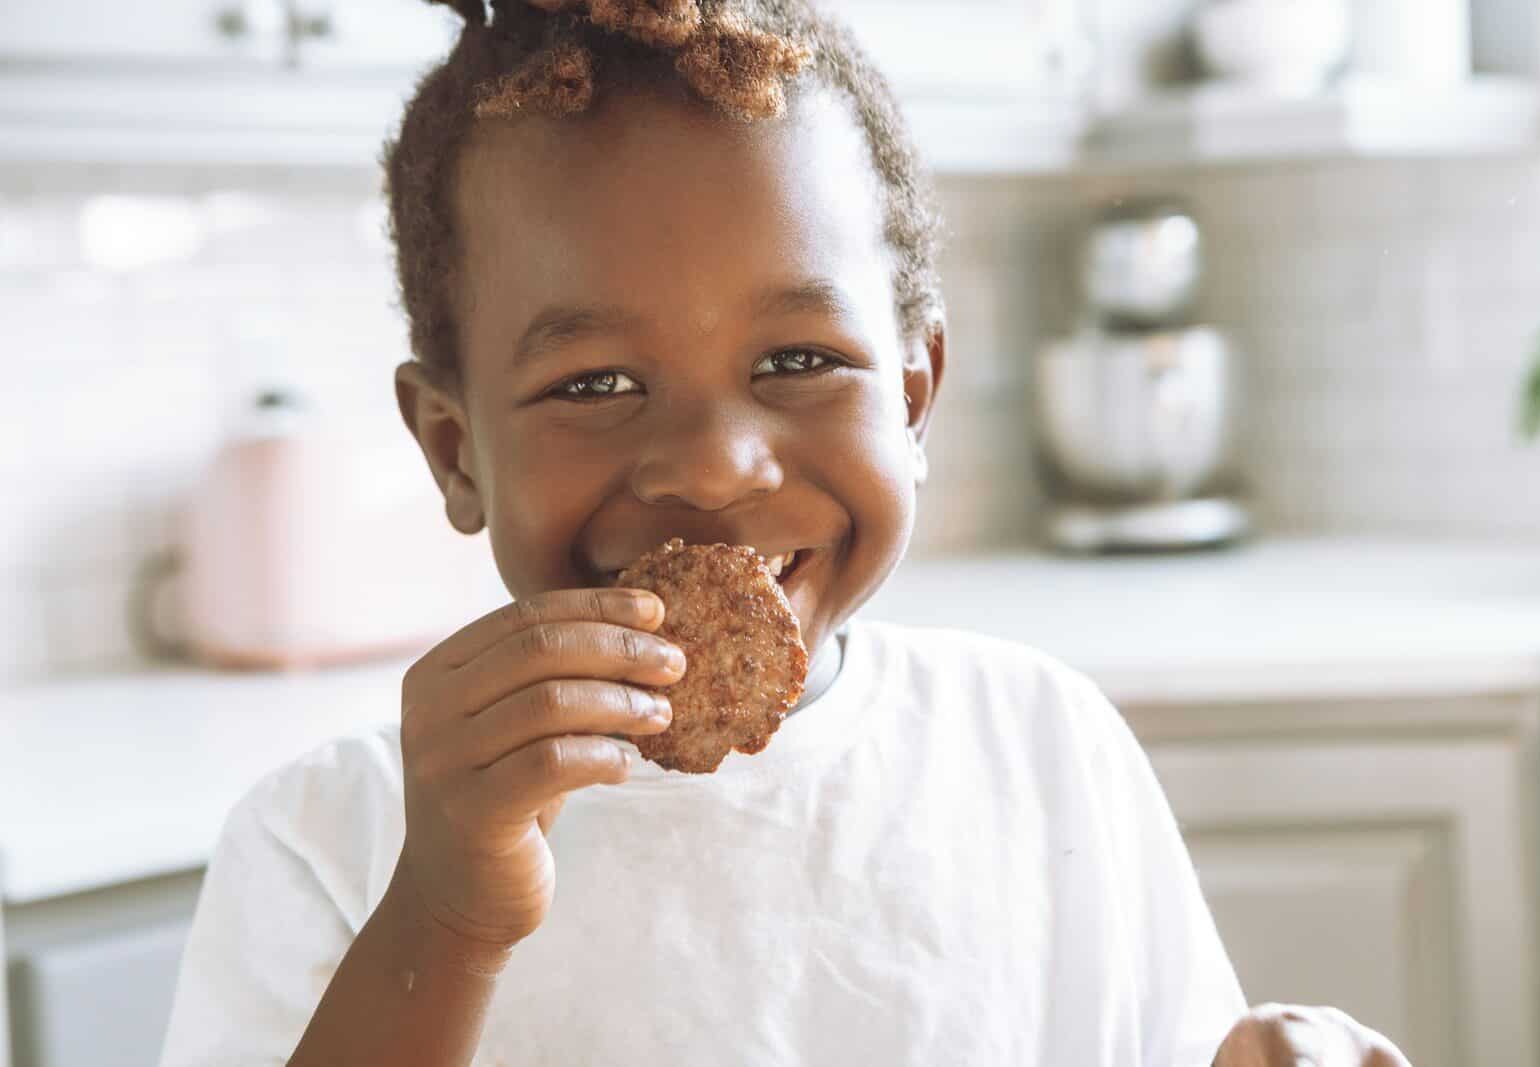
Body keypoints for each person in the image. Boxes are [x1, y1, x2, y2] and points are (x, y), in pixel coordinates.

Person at [158, 2, 1412, 1064]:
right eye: (594, 383)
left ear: (913, 396)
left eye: (800, 359)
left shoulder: (1041, 745)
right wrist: (443, 914)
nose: (712, 465)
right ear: (452, 446)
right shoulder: (334, 839)